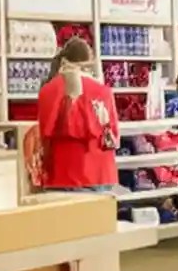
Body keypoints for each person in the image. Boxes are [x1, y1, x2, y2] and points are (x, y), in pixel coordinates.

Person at [37, 37, 119, 193]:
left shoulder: (49, 90)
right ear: (90, 62)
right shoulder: (103, 91)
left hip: (63, 172)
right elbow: (113, 136)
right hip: (100, 173)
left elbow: (44, 135)